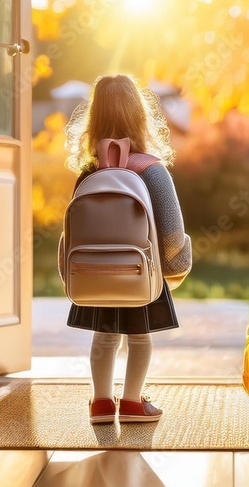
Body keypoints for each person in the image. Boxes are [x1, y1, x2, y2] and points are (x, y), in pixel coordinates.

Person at [63, 74, 192, 424]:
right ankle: (134, 403)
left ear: (93, 118)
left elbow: (72, 236)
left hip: (93, 276)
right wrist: (178, 267)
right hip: (140, 275)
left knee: (104, 338)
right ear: (140, 115)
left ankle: (101, 404)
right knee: (139, 338)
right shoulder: (152, 171)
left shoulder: (89, 172)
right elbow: (172, 237)